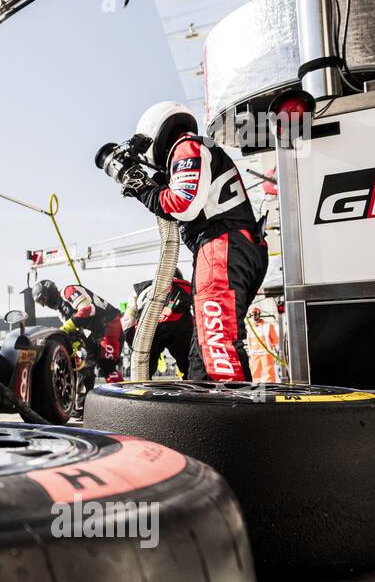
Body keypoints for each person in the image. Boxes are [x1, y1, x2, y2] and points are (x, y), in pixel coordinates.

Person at [104, 101, 267, 381]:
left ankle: (227, 420)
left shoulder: (186, 146)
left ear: (152, 136)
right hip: (233, 247)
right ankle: (213, 415)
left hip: (222, 247)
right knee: (203, 350)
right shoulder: (197, 149)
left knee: (216, 347)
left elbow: (183, 204)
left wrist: (143, 188)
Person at [33, 278, 124, 383]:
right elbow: (74, 330)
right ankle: (84, 397)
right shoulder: (60, 311)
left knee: (107, 366)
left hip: (110, 324)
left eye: (44, 299)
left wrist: (67, 327)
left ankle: (123, 396)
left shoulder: (68, 291)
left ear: (49, 291)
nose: (46, 303)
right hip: (94, 332)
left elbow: (89, 309)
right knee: (85, 366)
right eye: (42, 302)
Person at [123, 268, 193, 377]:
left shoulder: (141, 289)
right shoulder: (185, 285)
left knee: (144, 370)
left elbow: (127, 320)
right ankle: (194, 388)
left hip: (149, 326)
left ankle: (141, 390)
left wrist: (133, 343)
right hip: (179, 324)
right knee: (189, 365)